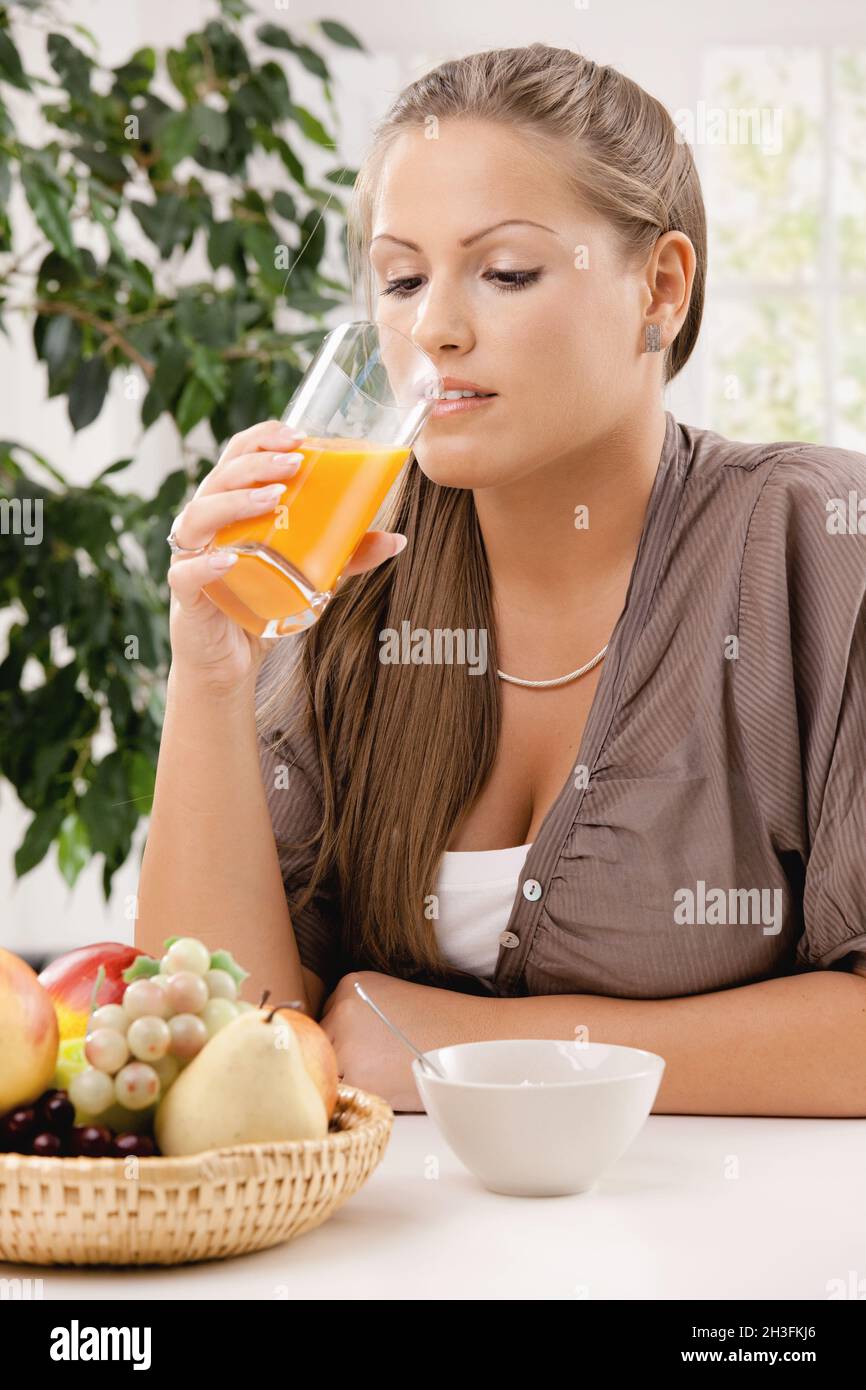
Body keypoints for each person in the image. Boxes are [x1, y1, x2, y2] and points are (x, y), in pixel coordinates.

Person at [137, 44, 866, 1117]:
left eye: (506, 272)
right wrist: (206, 671)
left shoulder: (813, 542)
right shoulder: (340, 576)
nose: (433, 326)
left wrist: (474, 1048)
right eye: (399, 278)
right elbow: (213, 1042)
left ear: (658, 288)